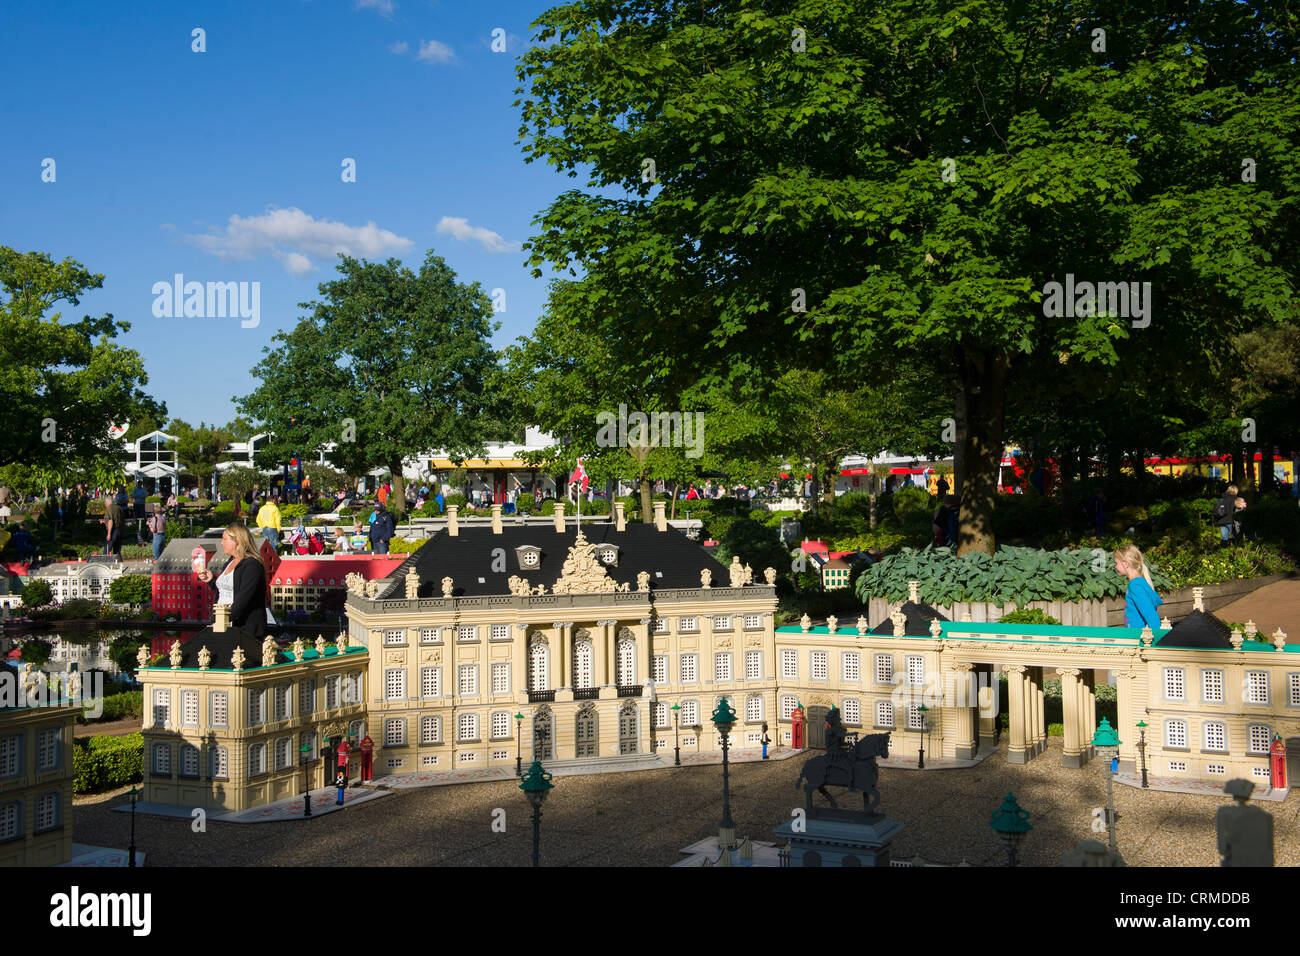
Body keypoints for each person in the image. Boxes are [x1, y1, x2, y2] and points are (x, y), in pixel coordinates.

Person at [197, 523, 268, 637]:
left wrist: (223, 622)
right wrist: (211, 580)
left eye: (225, 539)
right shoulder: (230, 561)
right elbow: (226, 591)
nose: (222, 543)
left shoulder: (252, 565)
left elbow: (243, 599)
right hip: (224, 624)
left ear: (237, 540)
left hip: (243, 628)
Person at [1114, 544, 1162, 629]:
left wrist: (1157, 638)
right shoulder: (1141, 582)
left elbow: (1151, 615)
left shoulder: (1135, 585)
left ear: (1125, 564)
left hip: (1138, 637)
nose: (1115, 566)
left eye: (1117, 563)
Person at [103, 491, 124, 558]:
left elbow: (110, 521)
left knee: (108, 546)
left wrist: (109, 533)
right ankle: (118, 561)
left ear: (107, 502)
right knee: (117, 548)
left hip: (113, 529)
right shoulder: (119, 507)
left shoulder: (109, 509)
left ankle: (105, 560)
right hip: (120, 529)